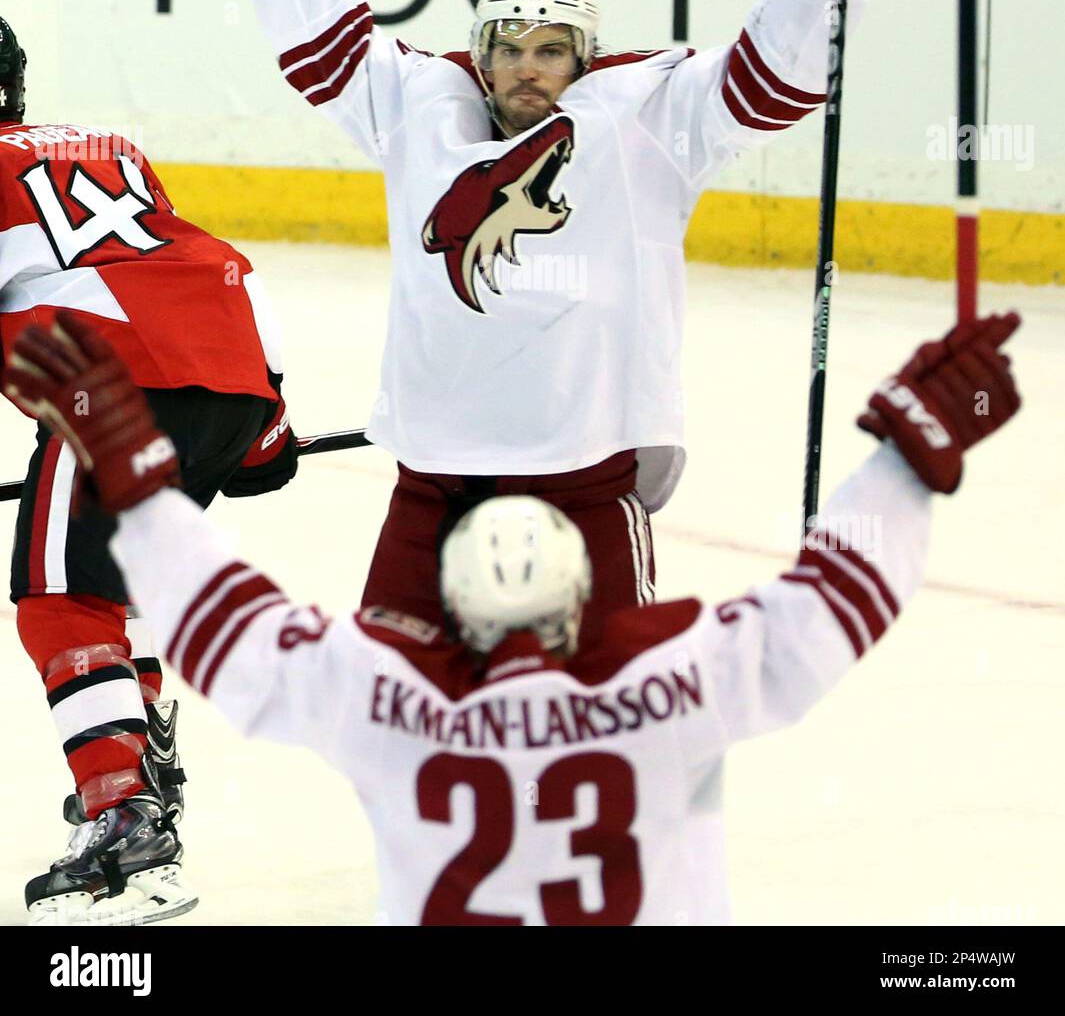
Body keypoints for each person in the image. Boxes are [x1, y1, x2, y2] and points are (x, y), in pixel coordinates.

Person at [1, 307, 1022, 925]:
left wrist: (137, 478)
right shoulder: (668, 681)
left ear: (445, 606)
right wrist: (908, 459)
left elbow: (231, 625)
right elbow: (831, 605)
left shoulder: (391, 698)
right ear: (590, 596)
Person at [201, 0, 893, 647]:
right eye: (510, 46)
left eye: (554, 49)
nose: (530, 66)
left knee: (611, 717)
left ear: (585, 56)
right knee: (389, 710)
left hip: (585, 485)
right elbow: (319, 47)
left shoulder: (648, 114)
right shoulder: (419, 105)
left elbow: (774, 79)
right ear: (480, 54)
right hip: (435, 485)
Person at [0, 18, 299, 925]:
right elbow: (175, 263)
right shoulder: (104, 145)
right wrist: (263, 432)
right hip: (235, 370)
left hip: (115, 381)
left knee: (61, 599)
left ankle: (124, 824)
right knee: (107, 590)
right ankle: (144, 768)